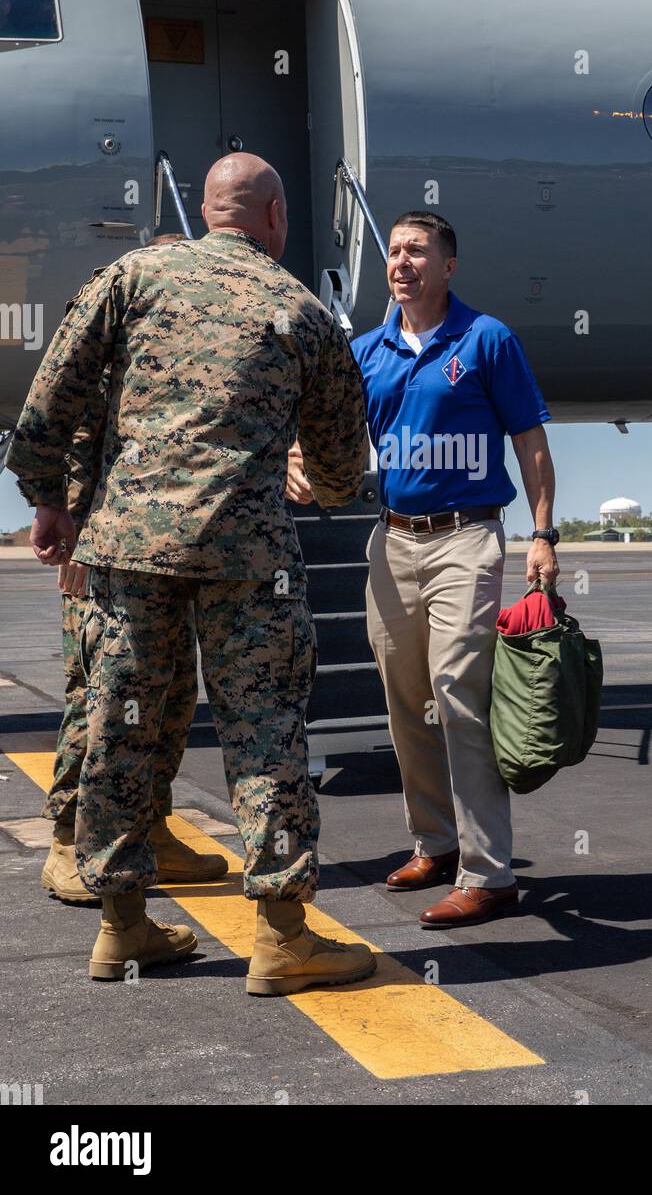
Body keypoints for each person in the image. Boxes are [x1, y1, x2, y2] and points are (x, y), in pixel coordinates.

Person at [7, 153, 375, 993]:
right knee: (265, 735)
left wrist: (51, 499)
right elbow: (341, 467)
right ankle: (282, 939)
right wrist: (316, 477)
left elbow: (52, 395)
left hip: (128, 549)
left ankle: (121, 928)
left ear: (209, 209)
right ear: (274, 216)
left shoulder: (131, 275)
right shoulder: (304, 312)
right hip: (248, 563)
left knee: (122, 728)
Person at [287, 210, 558, 927]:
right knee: (404, 700)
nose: (402, 262)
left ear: (449, 265)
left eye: (418, 251)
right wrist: (299, 460)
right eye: (395, 251)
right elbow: (330, 431)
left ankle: (490, 873)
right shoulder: (368, 349)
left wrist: (543, 532)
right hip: (392, 541)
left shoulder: (487, 339)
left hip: (466, 540)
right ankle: (434, 844)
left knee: (458, 693)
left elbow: (529, 440)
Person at [42, 237, 227, 902]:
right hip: (100, 544)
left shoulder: (173, 327)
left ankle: (152, 822)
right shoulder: (111, 310)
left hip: (156, 549)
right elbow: (74, 434)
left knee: (173, 690)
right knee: (96, 694)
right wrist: (74, 542)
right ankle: (67, 839)